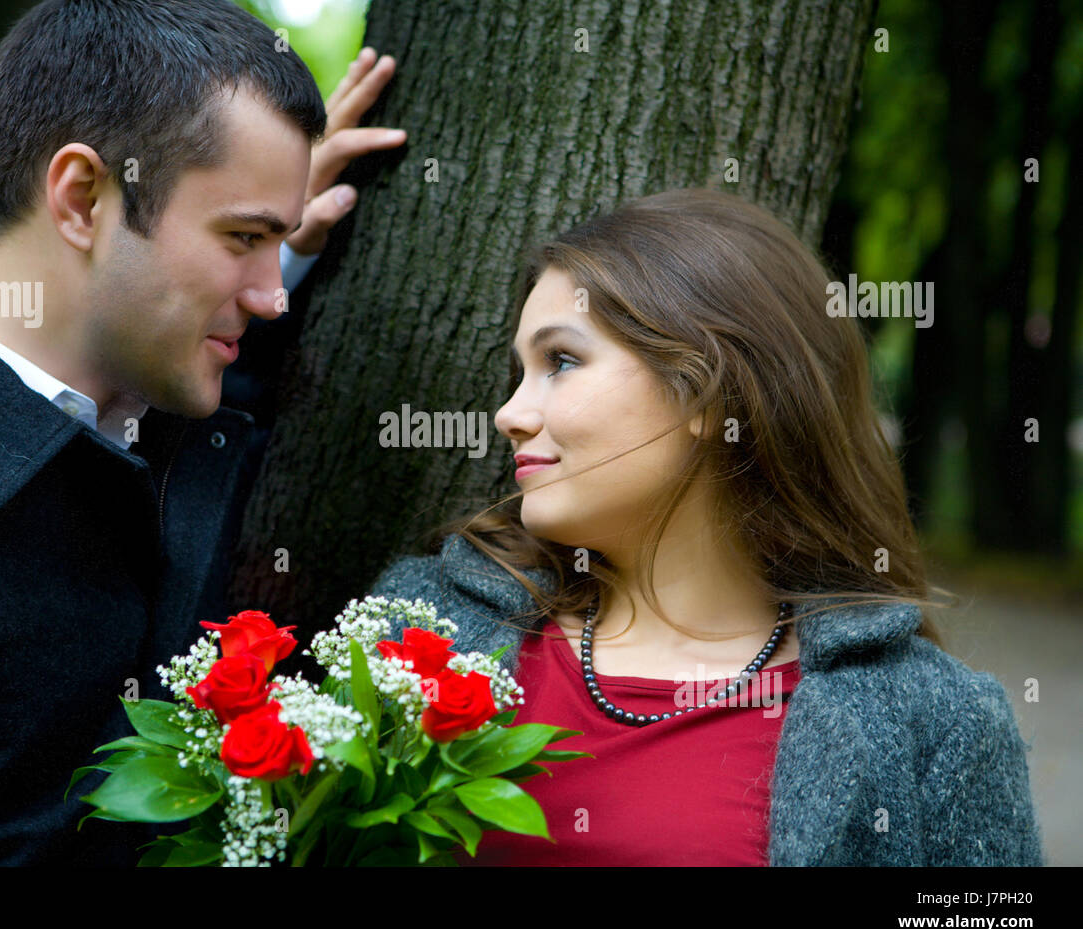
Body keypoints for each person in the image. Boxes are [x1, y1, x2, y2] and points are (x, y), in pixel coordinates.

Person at [0, 0, 404, 865]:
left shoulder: (180, 409)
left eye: (278, 242)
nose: (271, 293)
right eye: (242, 236)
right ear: (82, 197)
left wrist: (272, 214)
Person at [371, 188, 1045, 866]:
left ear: (704, 391)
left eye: (562, 362)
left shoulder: (933, 720)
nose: (509, 414)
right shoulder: (421, 627)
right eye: (520, 372)